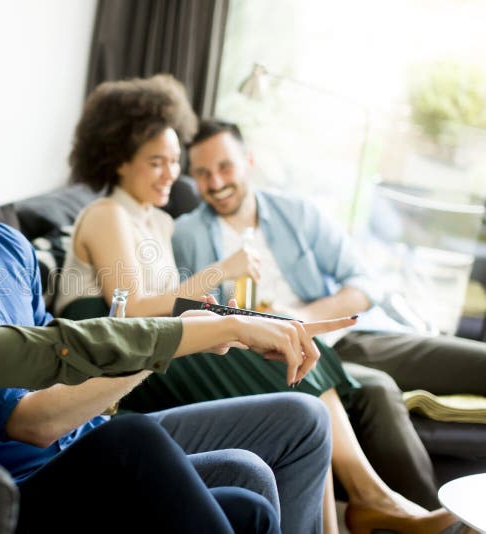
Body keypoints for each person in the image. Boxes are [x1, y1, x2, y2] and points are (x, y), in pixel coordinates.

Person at [0, 74, 339, 534]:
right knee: (131, 440)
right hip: (21, 487)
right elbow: (36, 421)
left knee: (262, 467)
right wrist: (182, 337)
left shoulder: (11, 248)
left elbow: (56, 360)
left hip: (86, 434)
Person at [53, 76, 458, 534]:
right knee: (291, 350)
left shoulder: (161, 223)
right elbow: (135, 308)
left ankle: (349, 513)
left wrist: (220, 311)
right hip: (118, 350)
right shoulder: (109, 214)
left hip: (160, 342)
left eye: (173, 161)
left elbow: (173, 305)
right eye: (156, 162)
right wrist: (224, 271)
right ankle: (370, 498)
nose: (172, 173)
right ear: (119, 161)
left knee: (294, 351)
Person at [174, 118, 478, 532]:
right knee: (377, 390)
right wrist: (276, 331)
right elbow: (191, 312)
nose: (216, 182)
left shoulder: (296, 212)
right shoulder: (187, 233)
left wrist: (300, 321)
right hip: (281, 356)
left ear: (248, 162)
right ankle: (436, 521)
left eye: (225, 167)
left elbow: (365, 282)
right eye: (203, 173)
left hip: (348, 335)